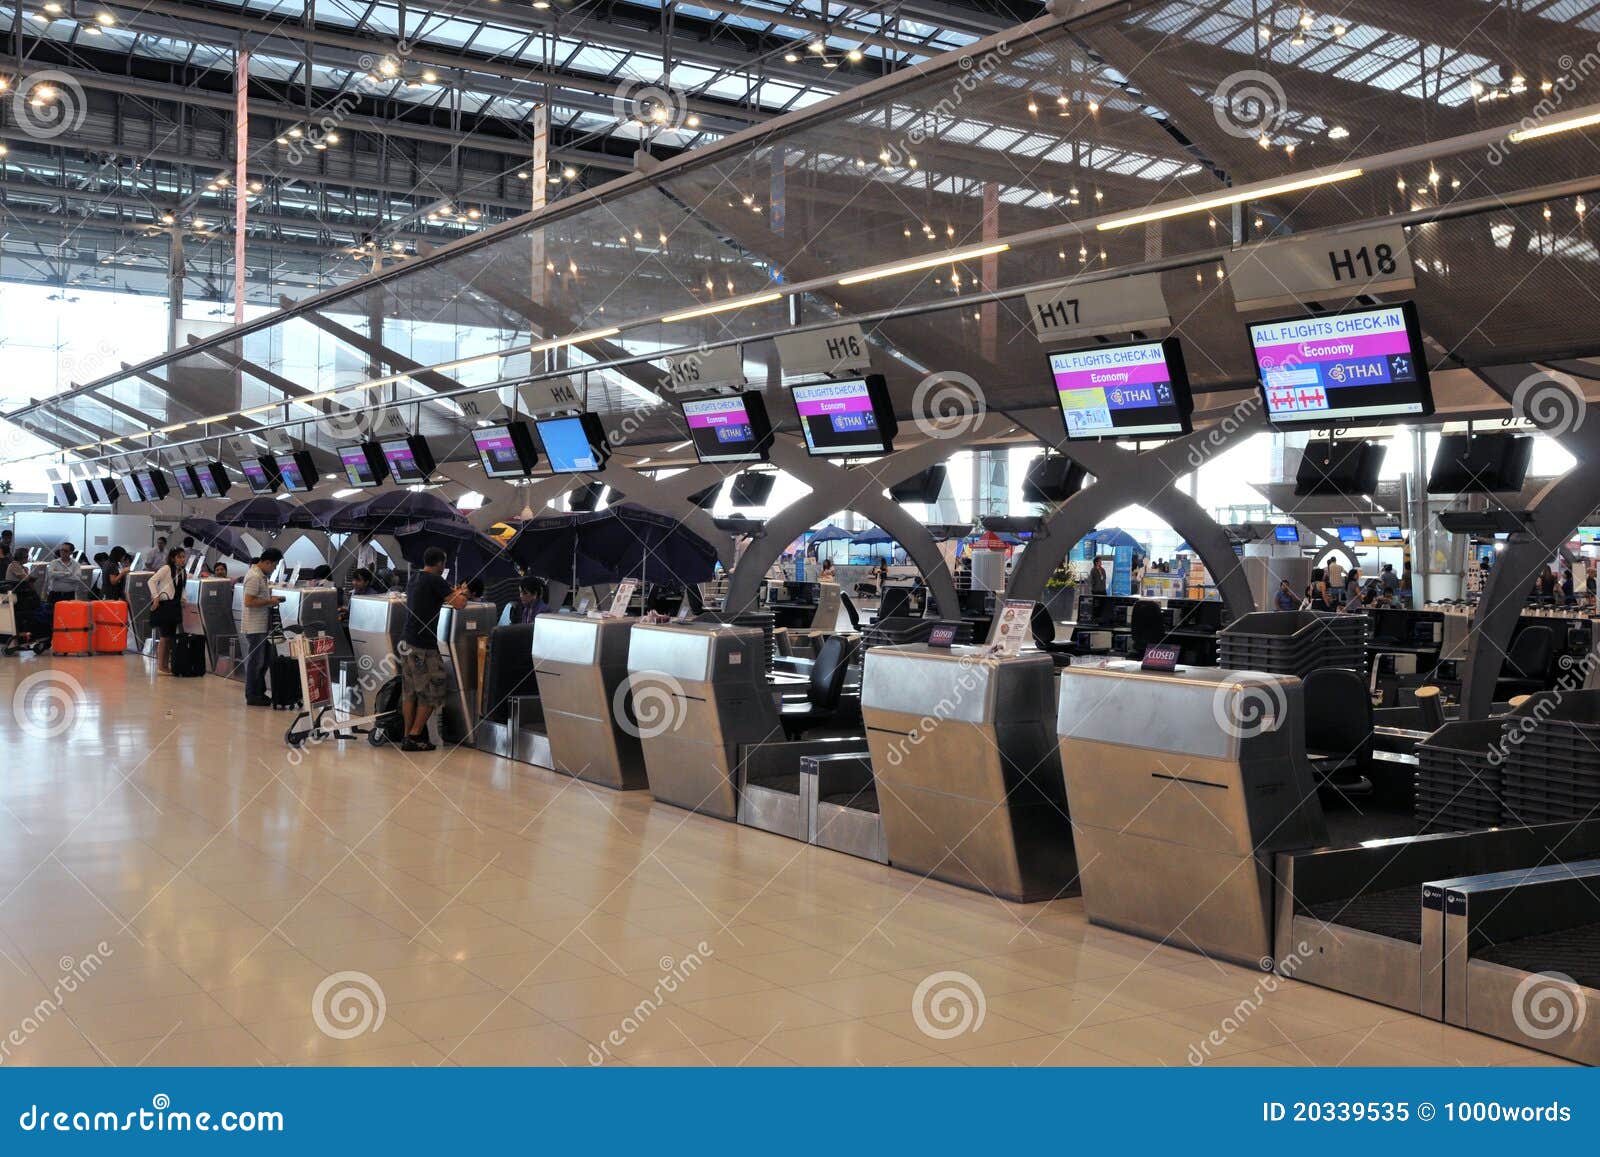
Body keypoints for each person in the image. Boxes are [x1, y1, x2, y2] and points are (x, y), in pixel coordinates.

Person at [398, 547, 468, 752]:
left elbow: (434, 598)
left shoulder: (415, 578)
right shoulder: (435, 580)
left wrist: (450, 592)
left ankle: (406, 736)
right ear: (439, 563)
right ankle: (415, 735)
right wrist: (461, 592)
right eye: (444, 563)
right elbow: (460, 605)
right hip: (423, 646)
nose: (444, 566)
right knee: (433, 689)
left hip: (407, 642)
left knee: (410, 692)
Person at [241, 548, 286, 707]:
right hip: (255, 627)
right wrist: (270, 601)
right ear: (268, 562)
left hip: (261, 626)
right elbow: (249, 602)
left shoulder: (260, 576)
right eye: (274, 566)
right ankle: (252, 695)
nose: (273, 569)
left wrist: (270, 598)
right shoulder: (254, 577)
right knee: (256, 662)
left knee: (264, 661)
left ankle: (260, 693)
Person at [148, 547, 188, 674]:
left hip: (175, 605)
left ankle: (165, 665)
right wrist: (156, 597)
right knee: (165, 636)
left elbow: (181, 588)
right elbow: (151, 581)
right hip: (165, 606)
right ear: (172, 558)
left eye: (183, 557)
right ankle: (161, 666)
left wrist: (183, 598)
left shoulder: (182, 571)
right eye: (179, 557)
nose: (182, 559)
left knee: (169, 637)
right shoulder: (166, 569)